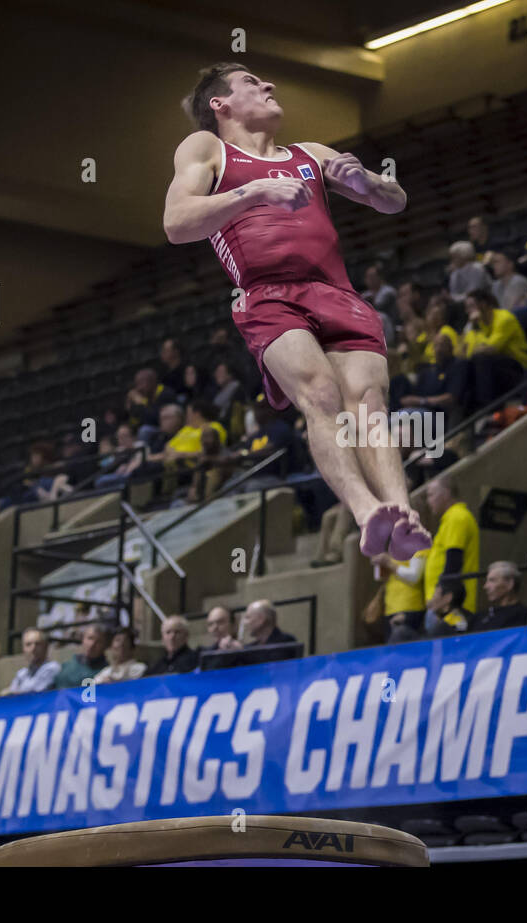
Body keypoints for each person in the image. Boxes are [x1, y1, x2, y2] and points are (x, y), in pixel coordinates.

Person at [163, 63, 431, 561]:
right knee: (322, 394)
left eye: (266, 80)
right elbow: (177, 223)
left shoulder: (311, 154)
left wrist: (369, 184)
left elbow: (396, 202)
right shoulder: (206, 148)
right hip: (268, 295)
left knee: (368, 402)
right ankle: (364, 508)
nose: (268, 85)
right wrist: (254, 192)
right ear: (219, 105)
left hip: (337, 292)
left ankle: (401, 511)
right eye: (251, 83)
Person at [422, 476, 480, 627]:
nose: (429, 501)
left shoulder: (457, 517)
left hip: (450, 607)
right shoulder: (450, 519)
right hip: (442, 605)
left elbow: (453, 560)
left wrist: (441, 595)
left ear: (446, 494)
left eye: (431, 495)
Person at [462, 288, 527, 406]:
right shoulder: (478, 324)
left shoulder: (504, 318)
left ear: (483, 304)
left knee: (481, 359)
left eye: (471, 306)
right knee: (466, 366)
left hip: (519, 368)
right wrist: (474, 329)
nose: (467, 311)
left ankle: (487, 407)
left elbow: (491, 349)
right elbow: (468, 354)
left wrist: (476, 333)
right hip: (496, 369)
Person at [373, 547, 428, 643]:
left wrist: (389, 563)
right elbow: (379, 578)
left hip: (409, 608)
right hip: (390, 609)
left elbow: (414, 577)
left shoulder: (417, 546)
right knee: (391, 653)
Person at [471, 561, 527, 632]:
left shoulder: (524, 615)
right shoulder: (479, 617)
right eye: (486, 581)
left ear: (510, 584)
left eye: (492, 580)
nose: (485, 586)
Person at [2, 627, 61, 695]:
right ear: (23, 649)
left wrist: (10, 692)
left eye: (37, 644)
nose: (33, 648)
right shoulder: (21, 673)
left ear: (46, 647)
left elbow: (35, 695)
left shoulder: (52, 668)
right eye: (28, 644)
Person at [55, 622, 111, 688]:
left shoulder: (108, 673)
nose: (92, 644)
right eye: (90, 638)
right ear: (83, 639)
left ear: (105, 645)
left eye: (98, 641)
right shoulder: (66, 667)